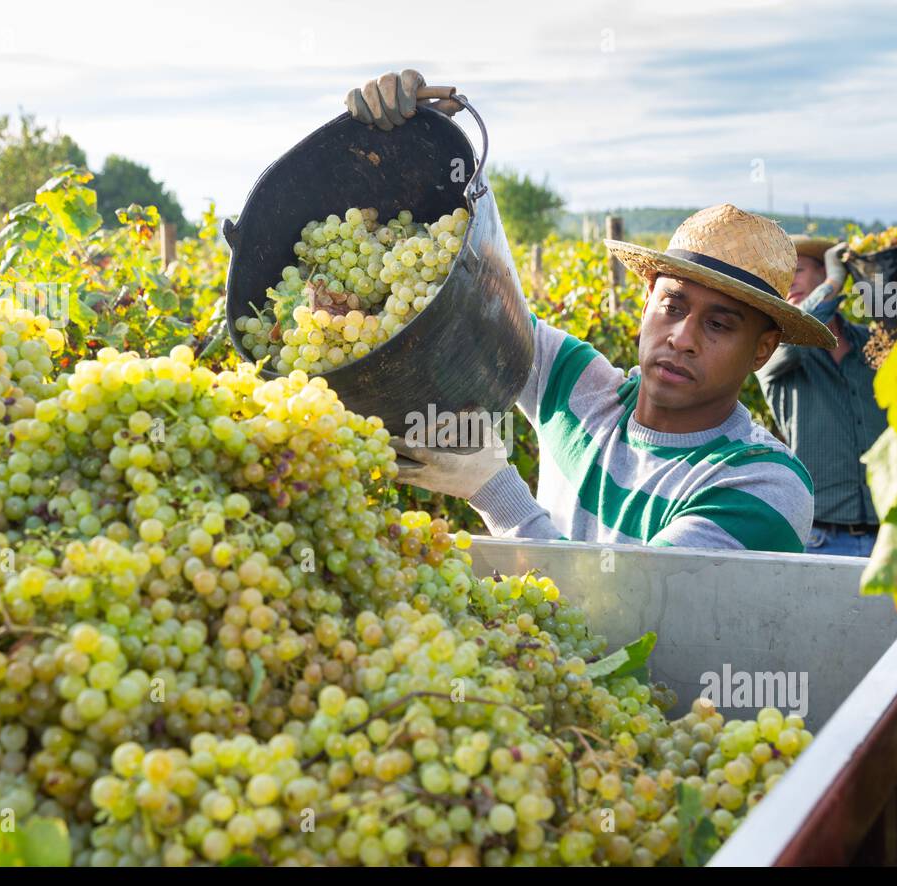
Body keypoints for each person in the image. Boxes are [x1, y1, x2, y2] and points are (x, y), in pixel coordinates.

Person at [347, 71, 837, 553]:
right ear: (646, 302)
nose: (683, 337)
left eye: (719, 325)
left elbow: (634, 621)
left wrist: (492, 488)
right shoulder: (578, 388)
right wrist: (427, 144)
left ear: (762, 350)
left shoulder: (764, 485)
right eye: (673, 305)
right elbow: (480, 303)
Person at [753, 236, 887, 557]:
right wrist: (833, 282)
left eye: (797, 270)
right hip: (819, 540)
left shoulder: (873, 343)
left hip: (890, 537)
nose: (789, 283)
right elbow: (801, 327)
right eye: (780, 278)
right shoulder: (772, 350)